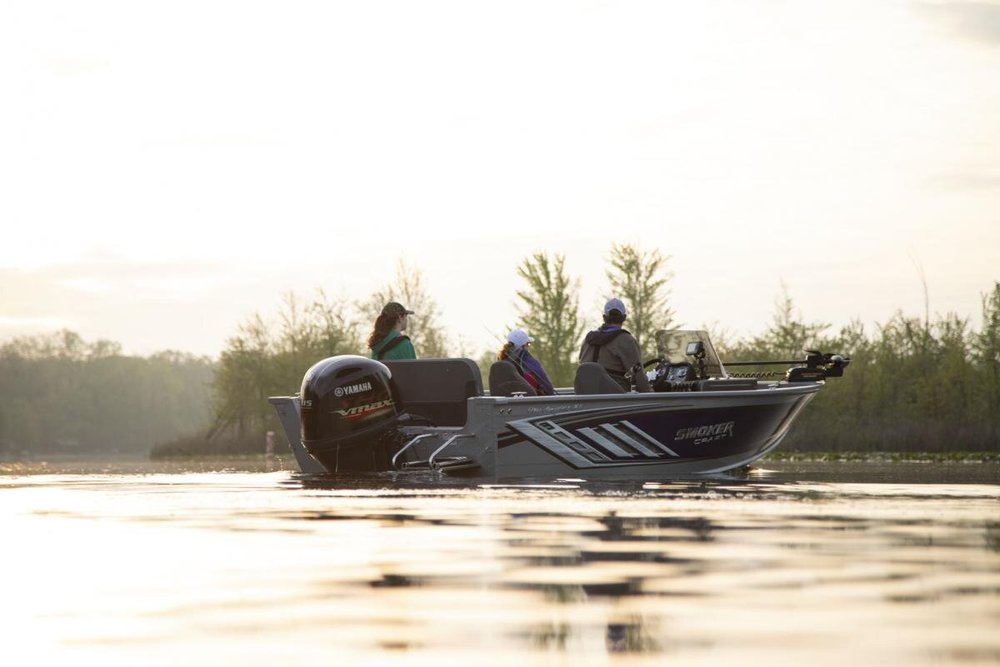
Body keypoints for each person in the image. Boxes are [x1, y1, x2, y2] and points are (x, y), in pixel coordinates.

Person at [578, 298, 651, 392]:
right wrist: (651, 393)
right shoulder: (626, 340)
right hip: (614, 396)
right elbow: (638, 376)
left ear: (604, 317)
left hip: (584, 393)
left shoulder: (587, 340)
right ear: (624, 317)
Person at [498, 328, 555, 396]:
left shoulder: (502, 362)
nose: (528, 346)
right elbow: (548, 388)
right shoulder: (531, 362)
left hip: (508, 400)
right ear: (524, 346)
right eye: (528, 344)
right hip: (533, 401)